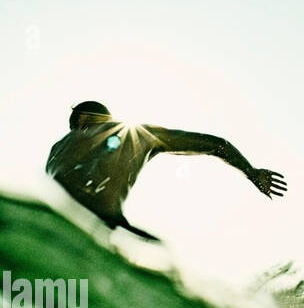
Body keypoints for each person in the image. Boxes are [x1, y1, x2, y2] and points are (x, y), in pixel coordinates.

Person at [45, 101, 287, 240]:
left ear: (82, 119)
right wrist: (251, 172)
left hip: (54, 221)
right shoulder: (141, 134)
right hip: (105, 223)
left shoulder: (58, 147)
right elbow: (217, 145)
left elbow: (56, 182)